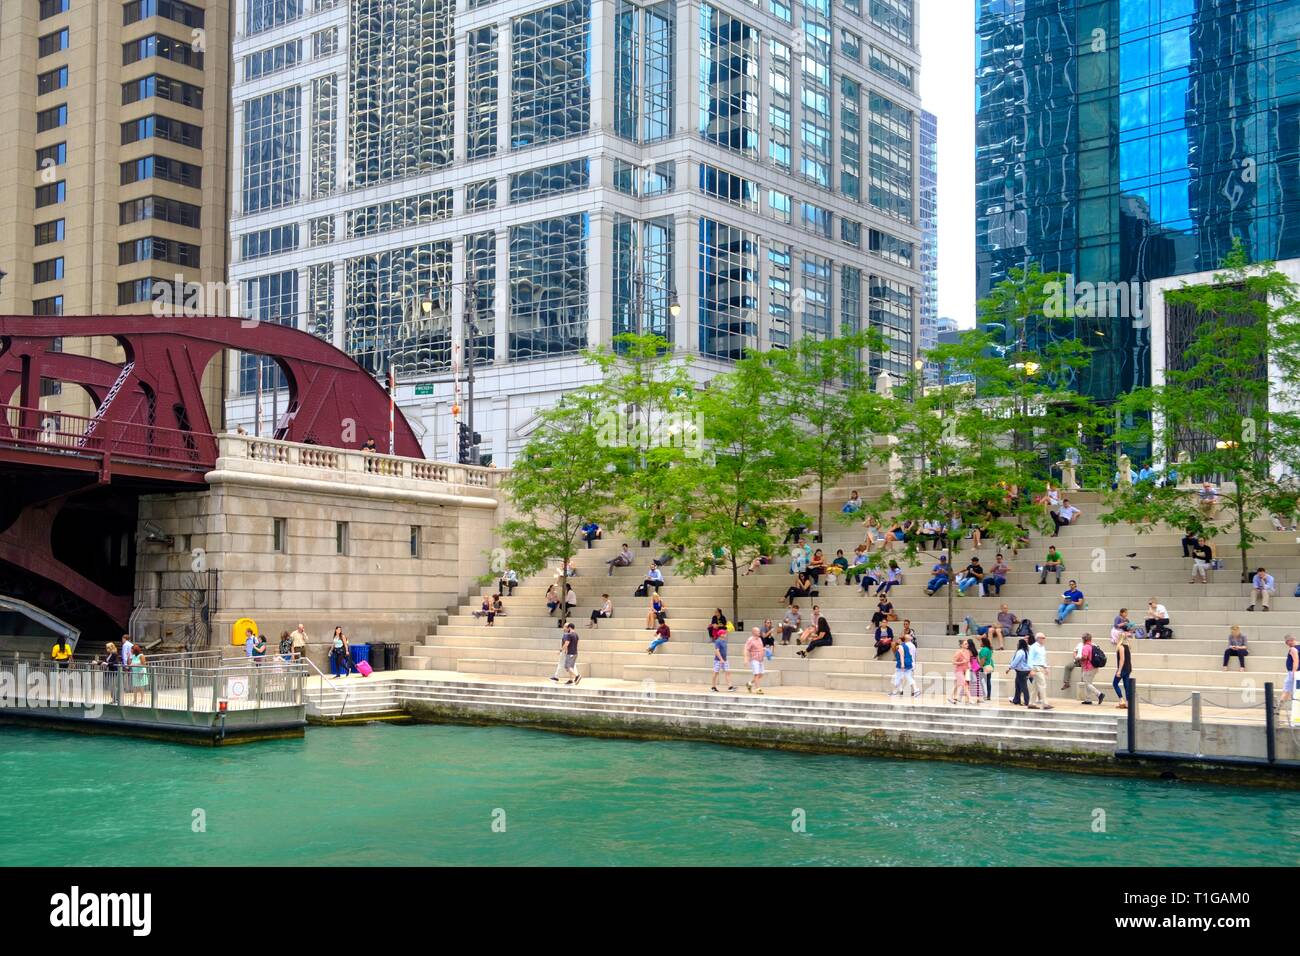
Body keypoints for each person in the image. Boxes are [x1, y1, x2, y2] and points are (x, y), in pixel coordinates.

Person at [890, 628, 919, 698]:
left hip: (903, 664)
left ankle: (896, 691)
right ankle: (915, 690)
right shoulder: (908, 645)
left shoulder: (902, 646)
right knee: (906, 677)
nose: (897, 640)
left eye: (899, 639)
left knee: (899, 677)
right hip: (909, 663)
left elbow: (902, 656)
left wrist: (903, 665)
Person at [1077, 633, 1104, 705]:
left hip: (1088, 667)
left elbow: (1085, 657)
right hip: (1095, 667)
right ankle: (1088, 699)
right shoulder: (1093, 645)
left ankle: (1099, 694)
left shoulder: (1086, 647)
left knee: (1087, 683)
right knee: (1089, 683)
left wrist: (1079, 658)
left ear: (1084, 639)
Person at [1027, 632, 1053, 710]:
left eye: (1044, 638)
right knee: (1042, 685)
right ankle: (1045, 703)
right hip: (1036, 667)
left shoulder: (1042, 647)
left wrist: (1046, 667)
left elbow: (1043, 659)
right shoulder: (1033, 647)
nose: (1044, 639)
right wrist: (1030, 669)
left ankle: (1031, 703)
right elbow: (1030, 658)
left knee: (1035, 687)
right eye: (1043, 638)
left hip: (1041, 667)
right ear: (1038, 638)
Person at [1007, 638, 1032, 706]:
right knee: (1017, 686)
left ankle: (1027, 701)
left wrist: (1010, 668)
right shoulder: (1026, 651)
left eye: (1018, 643)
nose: (1017, 644)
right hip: (1025, 671)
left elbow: (1016, 661)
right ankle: (1016, 700)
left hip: (1021, 672)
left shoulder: (1020, 652)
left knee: (1023, 687)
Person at [1112, 632, 1132, 709]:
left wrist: (1119, 670)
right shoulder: (1127, 646)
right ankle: (1127, 702)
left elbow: (1122, 660)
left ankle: (1121, 700)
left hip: (1123, 669)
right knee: (1126, 685)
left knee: (1115, 683)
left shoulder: (1120, 647)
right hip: (1128, 668)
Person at [1280, 635, 1299, 712]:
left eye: (1288, 641)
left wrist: (1294, 673)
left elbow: (1296, 661)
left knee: (1286, 691)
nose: (1287, 643)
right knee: (1295, 691)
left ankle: (1277, 709)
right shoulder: (1298, 648)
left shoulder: (1293, 649)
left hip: (1294, 673)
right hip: (1297, 673)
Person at [950, 639, 972, 705]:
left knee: (958, 684)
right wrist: (962, 662)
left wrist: (969, 666)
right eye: (965, 644)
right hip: (959, 670)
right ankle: (970, 699)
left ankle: (950, 697)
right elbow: (953, 662)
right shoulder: (958, 652)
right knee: (965, 684)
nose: (967, 645)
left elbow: (968, 661)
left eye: (967, 644)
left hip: (966, 670)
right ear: (961, 645)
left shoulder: (968, 652)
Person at [745, 626, 766, 693]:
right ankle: (758, 689)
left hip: (761, 659)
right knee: (756, 674)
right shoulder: (750, 640)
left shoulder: (759, 639)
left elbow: (761, 647)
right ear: (754, 632)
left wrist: (764, 649)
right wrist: (746, 658)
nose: (759, 632)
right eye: (757, 631)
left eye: (759, 631)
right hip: (754, 659)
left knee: (761, 674)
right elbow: (746, 649)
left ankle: (749, 683)